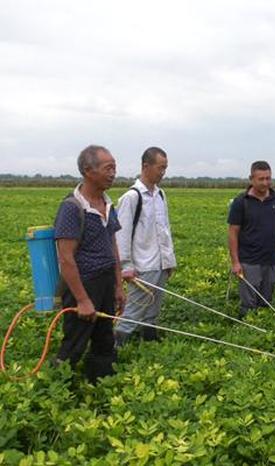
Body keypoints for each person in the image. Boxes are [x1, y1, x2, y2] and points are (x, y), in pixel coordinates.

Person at [54, 145, 124, 383]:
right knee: (75, 341)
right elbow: (66, 258)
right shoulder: (72, 208)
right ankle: (57, 392)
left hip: (106, 281)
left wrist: (118, 285)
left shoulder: (107, 203)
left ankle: (100, 384)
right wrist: (83, 300)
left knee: (105, 338)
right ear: (87, 170)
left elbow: (112, 245)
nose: (113, 173)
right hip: (83, 285)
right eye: (108, 168)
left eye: (114, 167)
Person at [114, 147, 176, 346]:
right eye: (160, 168)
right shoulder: (131, 197)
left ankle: (149, 338)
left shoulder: (160, 195)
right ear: (145, 166)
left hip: (160, 263)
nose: (163, 173)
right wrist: (126, 267)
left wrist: (169, 260)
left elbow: (164, 228)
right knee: (134, 308)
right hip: (142, 265)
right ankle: (116, 344)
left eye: (165, 168)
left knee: (153, 307)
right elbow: (121, 236)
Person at [228, 161, 275, 319]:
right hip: (248, 259)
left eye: (268, 178)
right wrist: (235, 262)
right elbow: (233, 232)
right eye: (261, 179)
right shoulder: (241, 202)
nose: (265, 183)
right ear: (251, 179)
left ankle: (265, 324)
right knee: (249, 300)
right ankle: (248, 326)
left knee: (267, 296)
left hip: (271, 257)